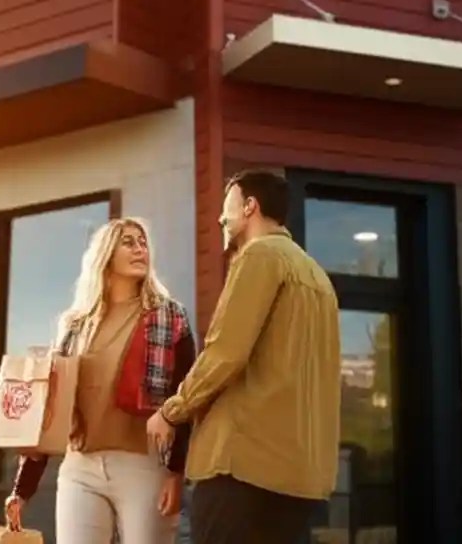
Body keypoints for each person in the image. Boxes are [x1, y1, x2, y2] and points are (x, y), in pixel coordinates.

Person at [146, 170, 341, 544]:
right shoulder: (318, 277)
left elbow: (225, 352)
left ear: (250, 206)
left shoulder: (259, 255)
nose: (221, 218)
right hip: (300, 476)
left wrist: (173, 410)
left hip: (242, 467)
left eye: (227, 207)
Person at [6, 217, 196, 544]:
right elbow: (50, 409)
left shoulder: (169, 316)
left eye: (143, 242)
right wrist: (22, 489)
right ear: (106, 255)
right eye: (128, 242)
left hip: (144, 467)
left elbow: (186, 396)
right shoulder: (74, 326)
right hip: (81, 468)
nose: (140, 249)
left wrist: (175, 473)